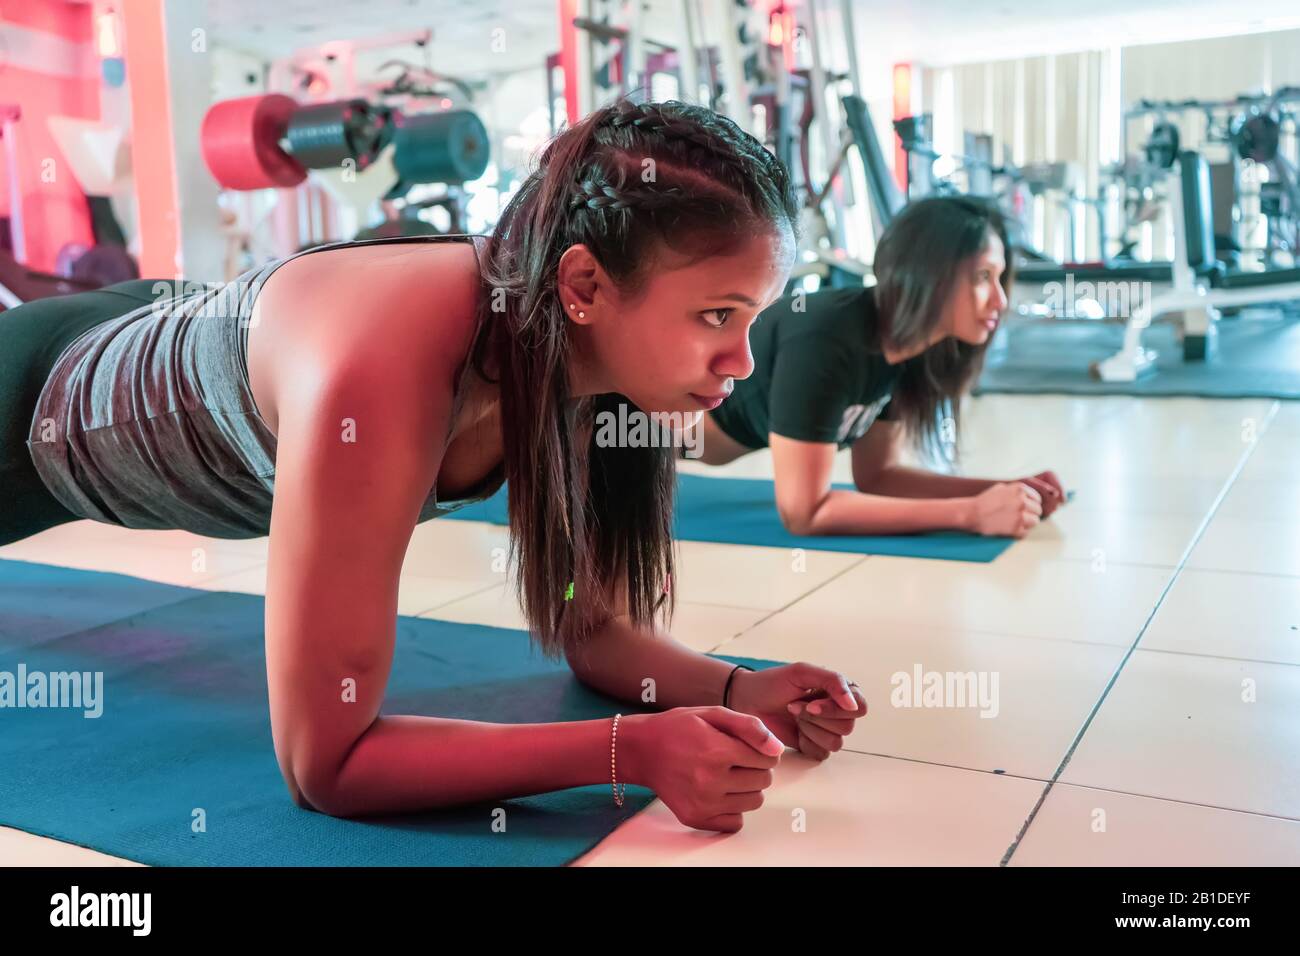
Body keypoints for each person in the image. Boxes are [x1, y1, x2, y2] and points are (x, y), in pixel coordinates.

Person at [0, 99, 867, 833]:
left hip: (160, 328)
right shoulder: (383, 370)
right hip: (36, 410)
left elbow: (595, 634)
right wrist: (627, 751)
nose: (744, 362)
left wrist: (736, 687)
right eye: (717, 315)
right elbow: (325, 763)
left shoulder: (566, 348)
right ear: (586, 285)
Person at [690, 195, 1065, 538]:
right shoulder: (828, 336)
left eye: (1000, 279)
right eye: (984, 277)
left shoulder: (914, 350)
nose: (1000, 300)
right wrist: (970, 514)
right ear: (929, 273)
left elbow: (878, 476)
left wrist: (1004, 491)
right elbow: (805, 513)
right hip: (648, 432)